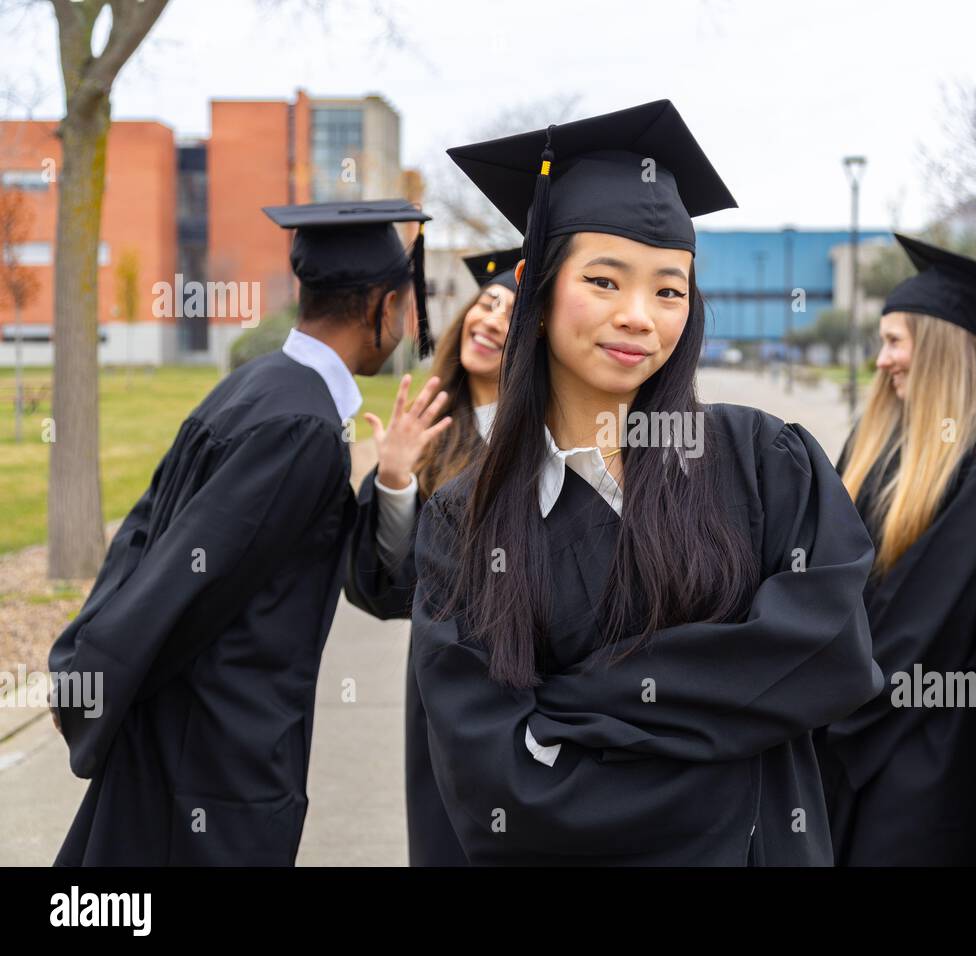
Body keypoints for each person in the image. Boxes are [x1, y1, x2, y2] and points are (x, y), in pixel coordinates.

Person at [410, 100, 885, 865]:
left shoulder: (763, 459)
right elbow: (497, 783)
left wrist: (566, 711)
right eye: (604, 280)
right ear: (534, 289)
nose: (639, 316)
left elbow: (830, 654)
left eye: (669, 290)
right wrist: (731, 757)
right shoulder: (465, 525)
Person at [48, 200, 447, 865]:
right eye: (404, 309)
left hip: (189, 743)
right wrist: (93, 681)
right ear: (383, 306)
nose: (406, 326)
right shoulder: (302, 428)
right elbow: (184, 578)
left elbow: (144, 535)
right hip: (218, 759)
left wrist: (85, 660)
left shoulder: (255, 387)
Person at [816, 235, 976, 865]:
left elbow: (930, 605)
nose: (882, 360)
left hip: (918, 723)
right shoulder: (875, 435)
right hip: (843, 704)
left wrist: (838, 697)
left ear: (937, 346)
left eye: (894, 341)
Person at [344, 247, 519, 866]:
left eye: (514, 313)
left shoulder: (556, 432)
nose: (492, 319)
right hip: (447, 682)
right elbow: (394, 582)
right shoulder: (434, 430)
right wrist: (394, 477)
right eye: (487, 302)